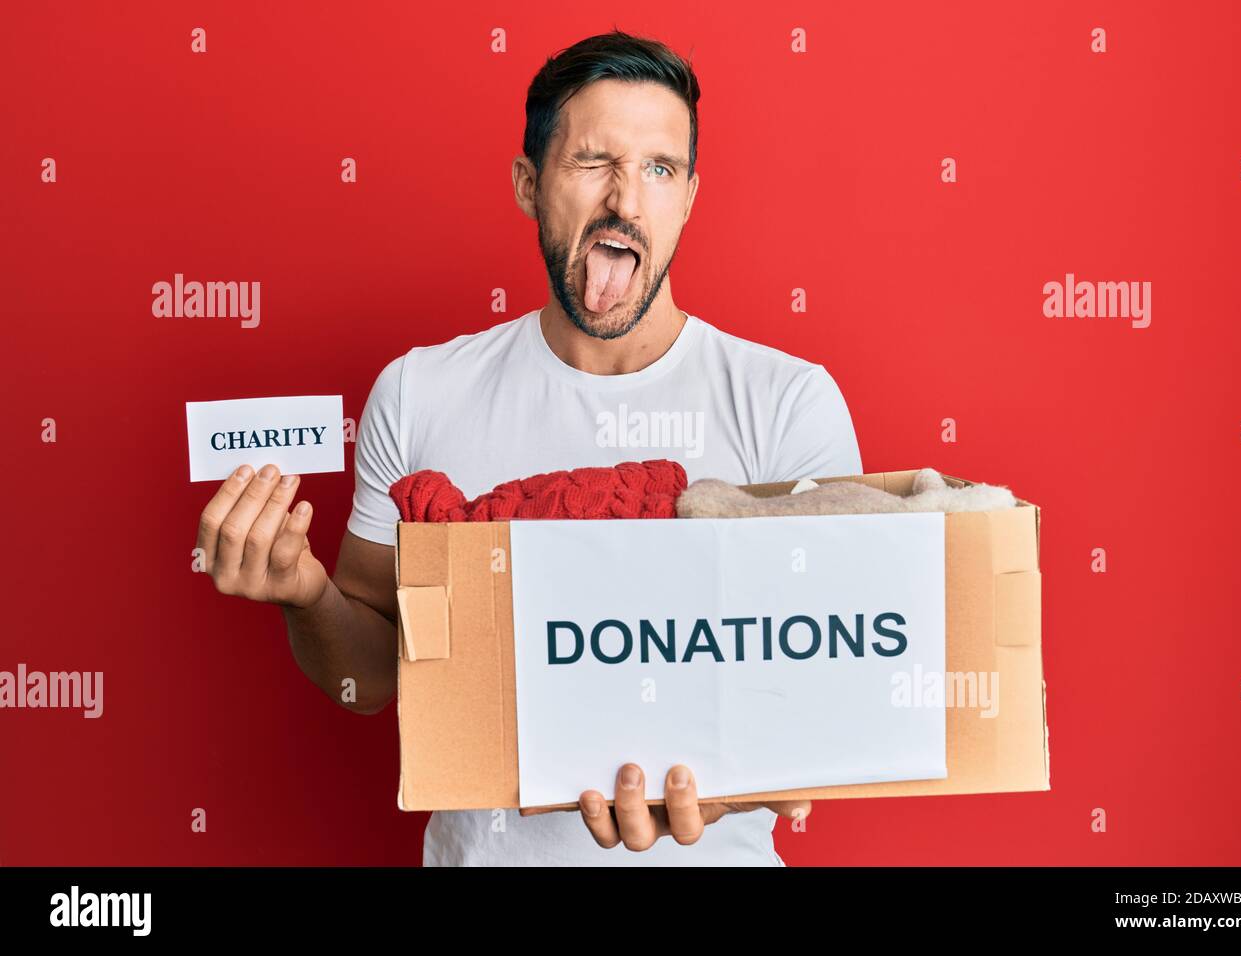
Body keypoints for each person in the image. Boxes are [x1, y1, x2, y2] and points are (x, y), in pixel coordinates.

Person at [196, 30, 861, 866]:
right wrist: (303, 593)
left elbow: (837, 689)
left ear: (689, 196)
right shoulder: (420, 392)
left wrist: (730, 786)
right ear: (528, 184)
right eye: (593, 161)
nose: (626, 198)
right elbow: (370, 677)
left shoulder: (787, 403)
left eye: (659, 168)